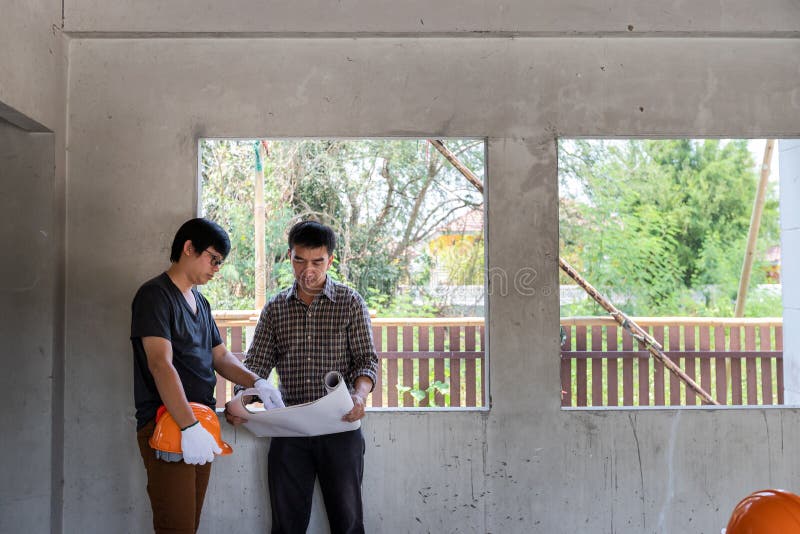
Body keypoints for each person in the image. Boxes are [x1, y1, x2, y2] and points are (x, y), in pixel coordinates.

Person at [131, 218, 283, 534]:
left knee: (190, 524)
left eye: (220, 263)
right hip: (167, 422)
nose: (216, 268)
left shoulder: (200, 301)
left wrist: (255, 381)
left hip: (201, 423)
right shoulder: (155, 296)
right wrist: (187, 425)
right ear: (189, 248)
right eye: (213, 259)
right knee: (177, 527)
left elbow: (220, 356)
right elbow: (161, 364)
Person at [226, 220, 379, 534]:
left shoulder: (350, 303)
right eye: (299, 260)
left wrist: (360, 396)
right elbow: (255, 367)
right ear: (289, 256)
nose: (307, 269)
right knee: (286, 525)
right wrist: (240, 400)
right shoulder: (275, 310)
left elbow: (367, 362)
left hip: (341, 427)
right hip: (289, 431)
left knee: (348, 523)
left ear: (330, 260)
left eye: (317, 262)